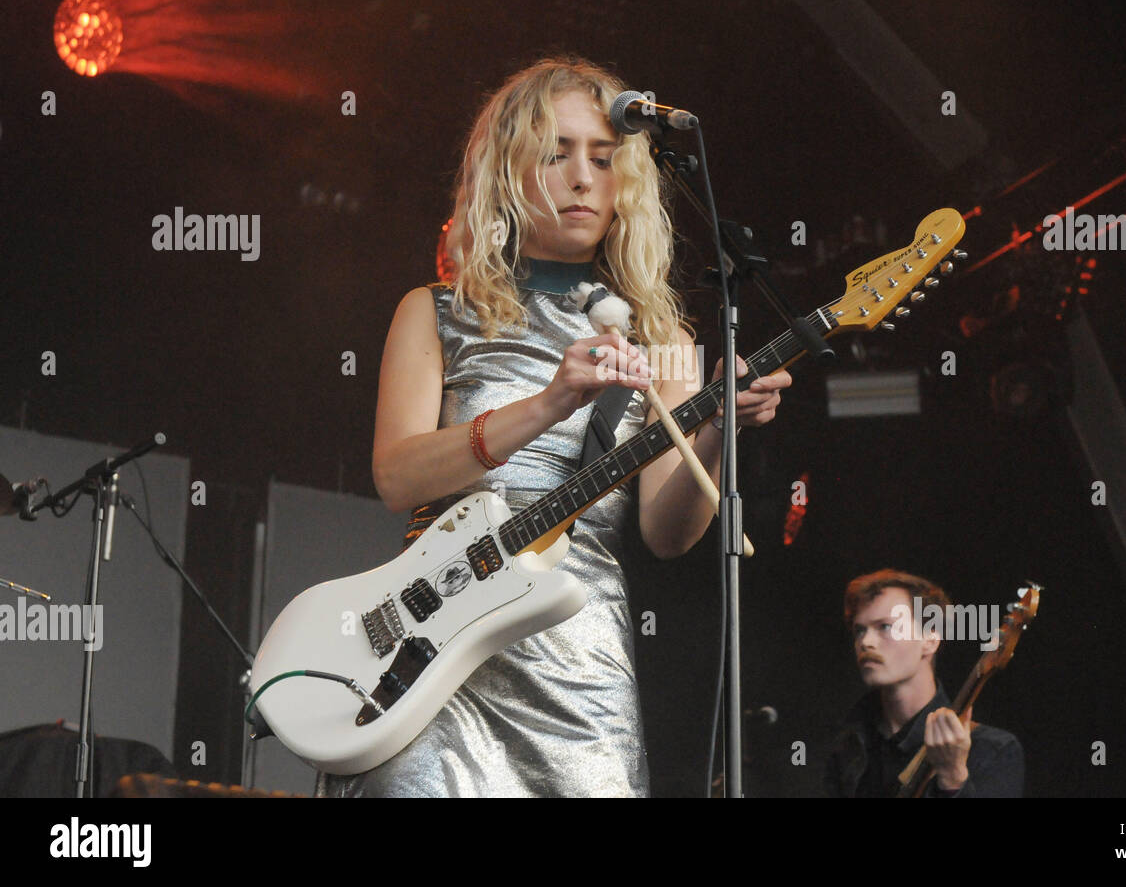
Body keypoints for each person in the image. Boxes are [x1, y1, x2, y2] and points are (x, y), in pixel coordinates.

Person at [318, 55, 792, 797]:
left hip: (579, 664)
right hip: (434, 653)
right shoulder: (435, 313)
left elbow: (668, 534)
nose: (582, 177)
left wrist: (717, 432)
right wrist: (546, 404)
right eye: (556, 153)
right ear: (508, 172)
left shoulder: (662, 338)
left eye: (603, 159)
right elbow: (396, 476)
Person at [824, 569, 1025, 797]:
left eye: (885, 627)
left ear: (930, 639)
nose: (866, 642)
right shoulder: (848, 748)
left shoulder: (992, 750)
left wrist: (953, 776)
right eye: (860, 630)